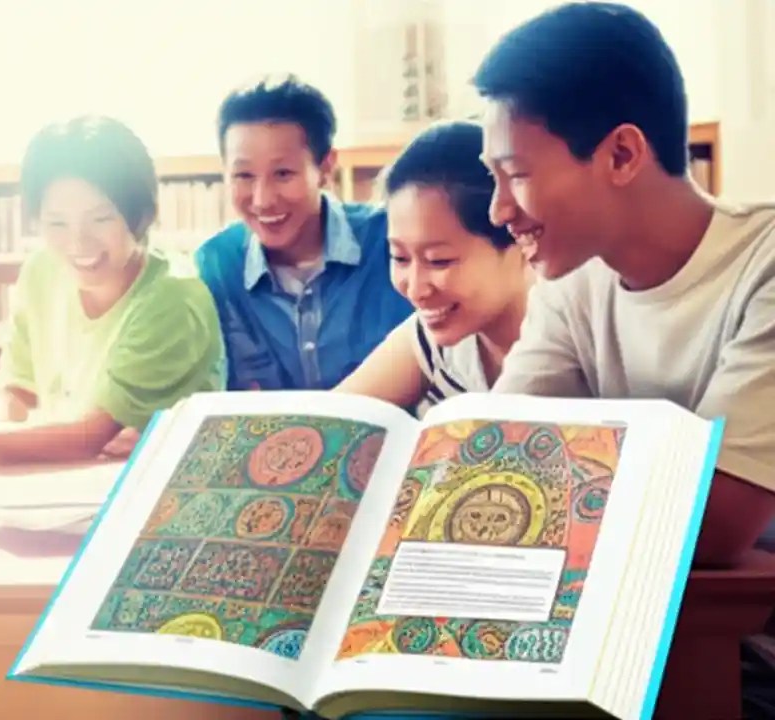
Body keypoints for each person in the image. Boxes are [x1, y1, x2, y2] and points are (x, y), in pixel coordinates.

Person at [475, 2, 775, 568]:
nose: (497, 211)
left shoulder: (763, 266)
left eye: (516, 175)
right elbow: (495, 462)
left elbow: (708, 529)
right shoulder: (572, 283)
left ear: (621, 154)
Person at [0, 115, 225, 467]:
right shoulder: (42, 270)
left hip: (169, 496)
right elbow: (16, 391)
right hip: (73, 486)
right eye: (56, 222)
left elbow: (85, 436)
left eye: (101, 218)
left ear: (142, 213)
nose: (78, 242)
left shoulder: (173, 297)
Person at [195, 73, 413, 392]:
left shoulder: (392, 240)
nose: (262, 200)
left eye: (283, 174)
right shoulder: (216, 263)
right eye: (243, 175)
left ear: (325, 169)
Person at [335, 120, 530, 410]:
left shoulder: (583, 335)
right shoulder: (432, 339)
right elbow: (326, 419)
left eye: (439, 261)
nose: (415, 289)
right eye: (400, 258)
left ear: (521, 241)